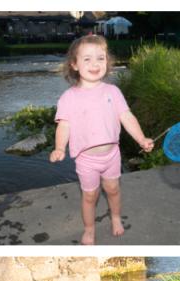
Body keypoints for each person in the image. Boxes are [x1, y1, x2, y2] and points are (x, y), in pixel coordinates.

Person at [50, 34, 154, 245]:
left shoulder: (113, 91)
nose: (95, 64)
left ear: (107, 61)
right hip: (86, 159)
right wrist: (59, 147)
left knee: (113, 190)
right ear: (75, 64)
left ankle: (115, 217)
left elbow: (127, 117)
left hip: (112, 155)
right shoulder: (69, 97)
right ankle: (89, 229)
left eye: (100, 58)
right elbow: (64, 125)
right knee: (90, 196)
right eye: (87, 59)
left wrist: (141, 138)